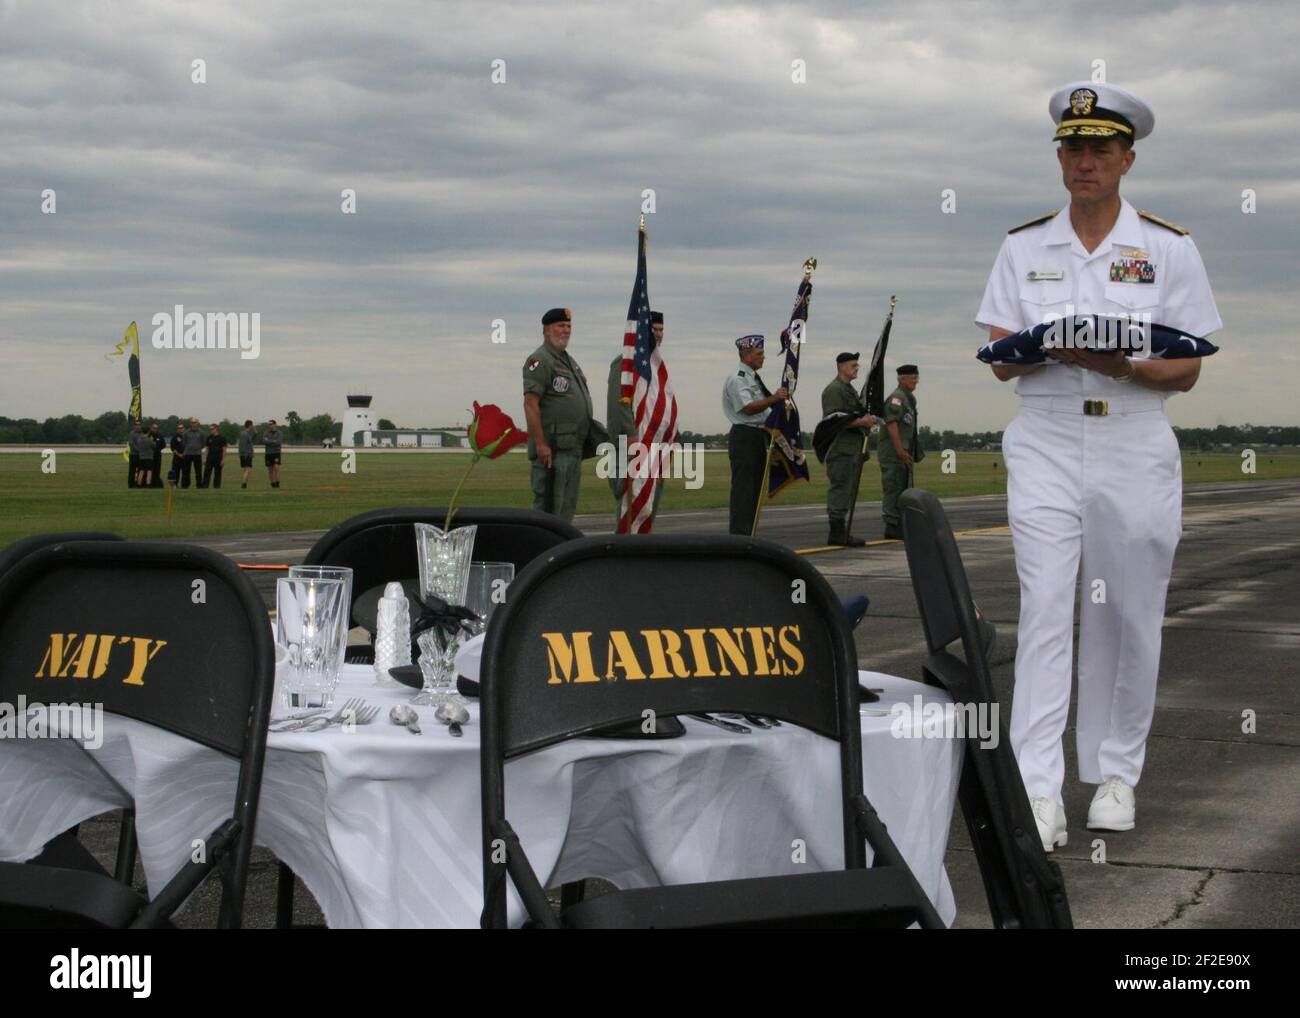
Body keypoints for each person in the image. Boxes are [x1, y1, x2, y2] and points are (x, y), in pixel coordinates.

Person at [976, 82, 1221, 852]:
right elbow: (998, 360)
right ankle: (1038, 789)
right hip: (1046, 437)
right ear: (1060, 159)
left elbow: (1186, 369)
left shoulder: (1169, 247)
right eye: (1072, 148)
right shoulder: (1023, 247)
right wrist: (1042, 348)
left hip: (1133, 438)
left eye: (1100, 149)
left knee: (1126, 614)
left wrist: (1125, 368)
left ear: (1127, 159)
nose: (1085, 162)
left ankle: (1116, 775)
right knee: (1046, 608)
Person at [522, 308, 604, 522]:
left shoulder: (568, 361)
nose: (566, 330)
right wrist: (540, 444)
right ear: (546, 330)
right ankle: (542, 552)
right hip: (553, 451)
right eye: (560, 326)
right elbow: (531, 404)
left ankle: (560, 549)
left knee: (566, 508)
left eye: (568, 327)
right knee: (549, 510)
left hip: (572, 449)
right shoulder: (539, 360)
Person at [722, 334, 788, 535]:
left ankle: (749, 532)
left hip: (758, 436)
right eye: (759, 353)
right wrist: (774, 398)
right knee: (744, 490)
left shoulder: (752, 378)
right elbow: (748, 408)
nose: (763, 357)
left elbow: (763, 409)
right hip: (745, 437)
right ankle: (739, 535)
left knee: (755, 490)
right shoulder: (738, 379)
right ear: (746, 354)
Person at [607, 310, 666, 525]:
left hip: (653, 449)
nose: (658, 334)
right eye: (653, 329)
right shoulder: (624, 364)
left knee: (648, 511)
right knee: (629, 511)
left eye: (661, 330)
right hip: (628, 449)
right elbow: (618, 405)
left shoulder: (657, 366)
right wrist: (631, 437)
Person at [820, 352, 877, 546]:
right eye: (853, 365)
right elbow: (834, 418)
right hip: (840, 448)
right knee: (841, 488)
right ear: (842, 367)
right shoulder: (835, 390)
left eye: (857, 365)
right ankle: (837, 532)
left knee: (847, 489)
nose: (856, 368)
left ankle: (841, 531)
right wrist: (862, 421)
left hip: (851, 447)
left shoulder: (848, 389)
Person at [877, 365, 922, 540]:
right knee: (893, 487)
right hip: (894, 453)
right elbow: (891, 424)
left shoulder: (907, 399)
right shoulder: (897, 398)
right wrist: (900, 450)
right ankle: (892, 525)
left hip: (903, 452)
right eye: (913, 377)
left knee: (902, 487)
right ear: (902, 379)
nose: (916, 381)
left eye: (916, 377)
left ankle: (899, 523)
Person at [202, 423, 228, 489]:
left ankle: (216, 487)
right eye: (210, 429)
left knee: (217, 473)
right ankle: (205, 486)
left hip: (218, 458)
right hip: (210, 458)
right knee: (207, 472)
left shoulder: (222, 438)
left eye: (212, 429)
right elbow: (207, 448)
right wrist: (204, 458)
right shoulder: (209, 437)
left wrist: (223, 459)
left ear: (216, 429)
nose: (210, 430)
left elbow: (224, 450)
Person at [131, 420, 155, 488]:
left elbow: (138, 447)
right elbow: (154, 446)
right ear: (148, 432)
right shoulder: (149, 439)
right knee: (149, 471)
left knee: (141, 470)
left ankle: (138, 483)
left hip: (141, 457)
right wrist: (152, 440)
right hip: (149, 457)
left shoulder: (139, 440)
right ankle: (148, 483)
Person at [181, 417, 203, 488]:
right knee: (186, 471)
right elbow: (184, 443)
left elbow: (203, 443)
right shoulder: (185, 433)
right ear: (190, 424)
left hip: (197, 454)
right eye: (192, 423)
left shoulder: (201, 433)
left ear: (197, 423)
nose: (193, 424)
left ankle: (199, 485)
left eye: (195, 423)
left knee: (198, 471)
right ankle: (185, 485)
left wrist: (198, 448)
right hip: (188, 454)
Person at [264, 419, 283, 488]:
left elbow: (279, 442)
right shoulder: (266, 433)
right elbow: (265, 441)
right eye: (269, 424)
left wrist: (270, 441)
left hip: (276, 453)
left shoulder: (279, 433)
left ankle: (277, 482)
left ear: (275, 424)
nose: (270, 426)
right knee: (270, 470)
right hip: (268, 453)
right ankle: (272, 483)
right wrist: (273, 441)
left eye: (271, 424)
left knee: (276, 467)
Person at [238, 420, 255, 488]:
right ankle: (243, 483)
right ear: (250, 425)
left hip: (246, 454)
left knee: (246, 470)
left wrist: (255, 432)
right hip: (246, 455)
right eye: (252, 425)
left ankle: (244, 484)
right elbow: (243, 445)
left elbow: (251, 441)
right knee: (248, 469)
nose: (253, 426)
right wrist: (246, 454)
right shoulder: (244, 434)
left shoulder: (247, 434)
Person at [148, 422, 166, 488]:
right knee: (150, 470)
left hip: (158, 456)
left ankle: (156, 484)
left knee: (157, 470)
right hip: (150, 456)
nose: (155, 429)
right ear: (151, 428)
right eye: (154, 428)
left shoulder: (160, 436)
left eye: (156, 428)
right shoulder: (148, 435)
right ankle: (150, 484)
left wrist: (158, 449)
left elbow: (164, 445)